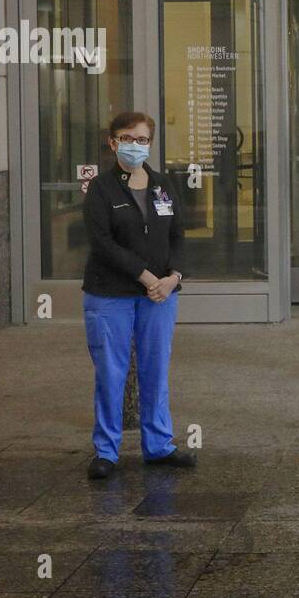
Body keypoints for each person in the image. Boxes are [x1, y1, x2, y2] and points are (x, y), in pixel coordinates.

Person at [82, 112, 195, 479]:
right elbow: (102, 243)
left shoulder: (163, 185)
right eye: (127, 138)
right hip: (110, 294)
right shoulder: (101, 187)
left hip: (160, 295)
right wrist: (148, 277)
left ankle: (159, 446)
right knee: (111, 373)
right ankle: (106, 451)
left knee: (155, 370)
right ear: (113, 142)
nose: (135, 145)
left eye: (142, 139)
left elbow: (178, 234)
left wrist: (173, 276)